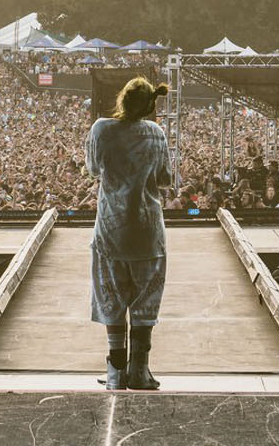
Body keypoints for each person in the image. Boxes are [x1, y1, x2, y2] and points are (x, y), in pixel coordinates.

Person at [86, 77, 173, 390]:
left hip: (111, 229)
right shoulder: (157, 133)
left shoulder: (102, 129)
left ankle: (115, 371)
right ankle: (140, 370)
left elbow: (93, 169)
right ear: (151, 105)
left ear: (122, 99)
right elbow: (165, 179)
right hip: (148, 231)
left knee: (113, 297)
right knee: (144, 301)